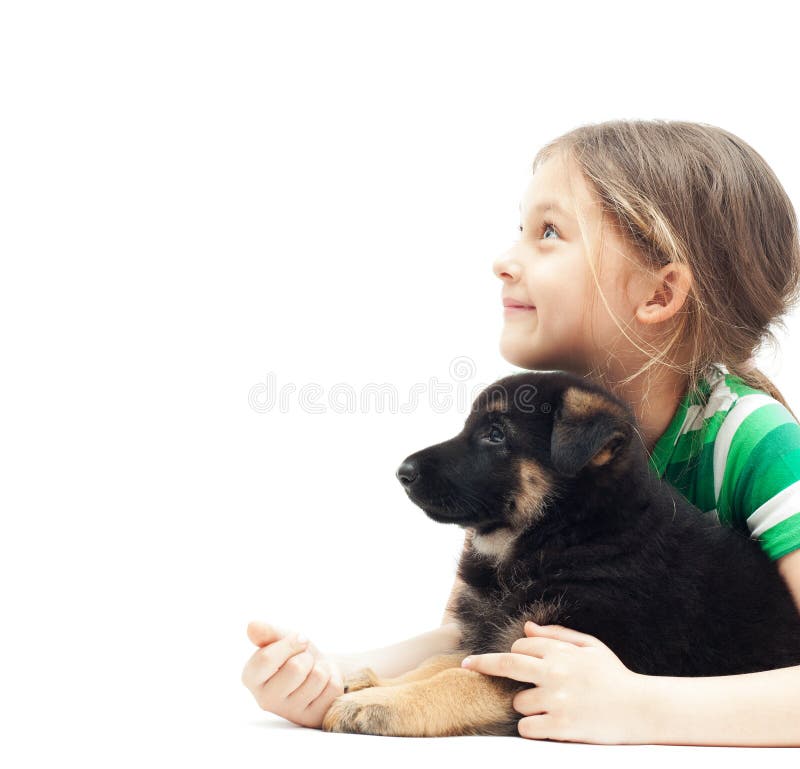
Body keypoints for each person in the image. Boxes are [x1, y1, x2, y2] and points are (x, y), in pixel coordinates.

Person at [241, 119, 800, 745]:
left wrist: (641, 707)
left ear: (659, 291)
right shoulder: (534, 434)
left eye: (549, 233)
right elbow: (474, 636)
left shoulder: (755, 443)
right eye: (521, 229)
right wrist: (334, 675)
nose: (504, 262)